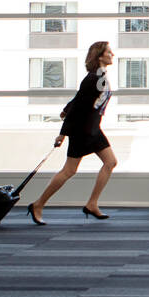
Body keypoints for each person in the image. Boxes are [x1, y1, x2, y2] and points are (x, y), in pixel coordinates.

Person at [26, 40, 117, 224]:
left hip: (93, 129)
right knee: (69, 171)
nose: (112, 54)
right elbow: (80, 107)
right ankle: (38, 204)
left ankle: (92, 204)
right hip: (83, 131)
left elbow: (78, 99)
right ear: (100, 56)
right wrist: (63, 133)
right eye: (109, 52)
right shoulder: (94, 78)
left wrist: (66, 109)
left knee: (110, 162)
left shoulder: (99, 76)